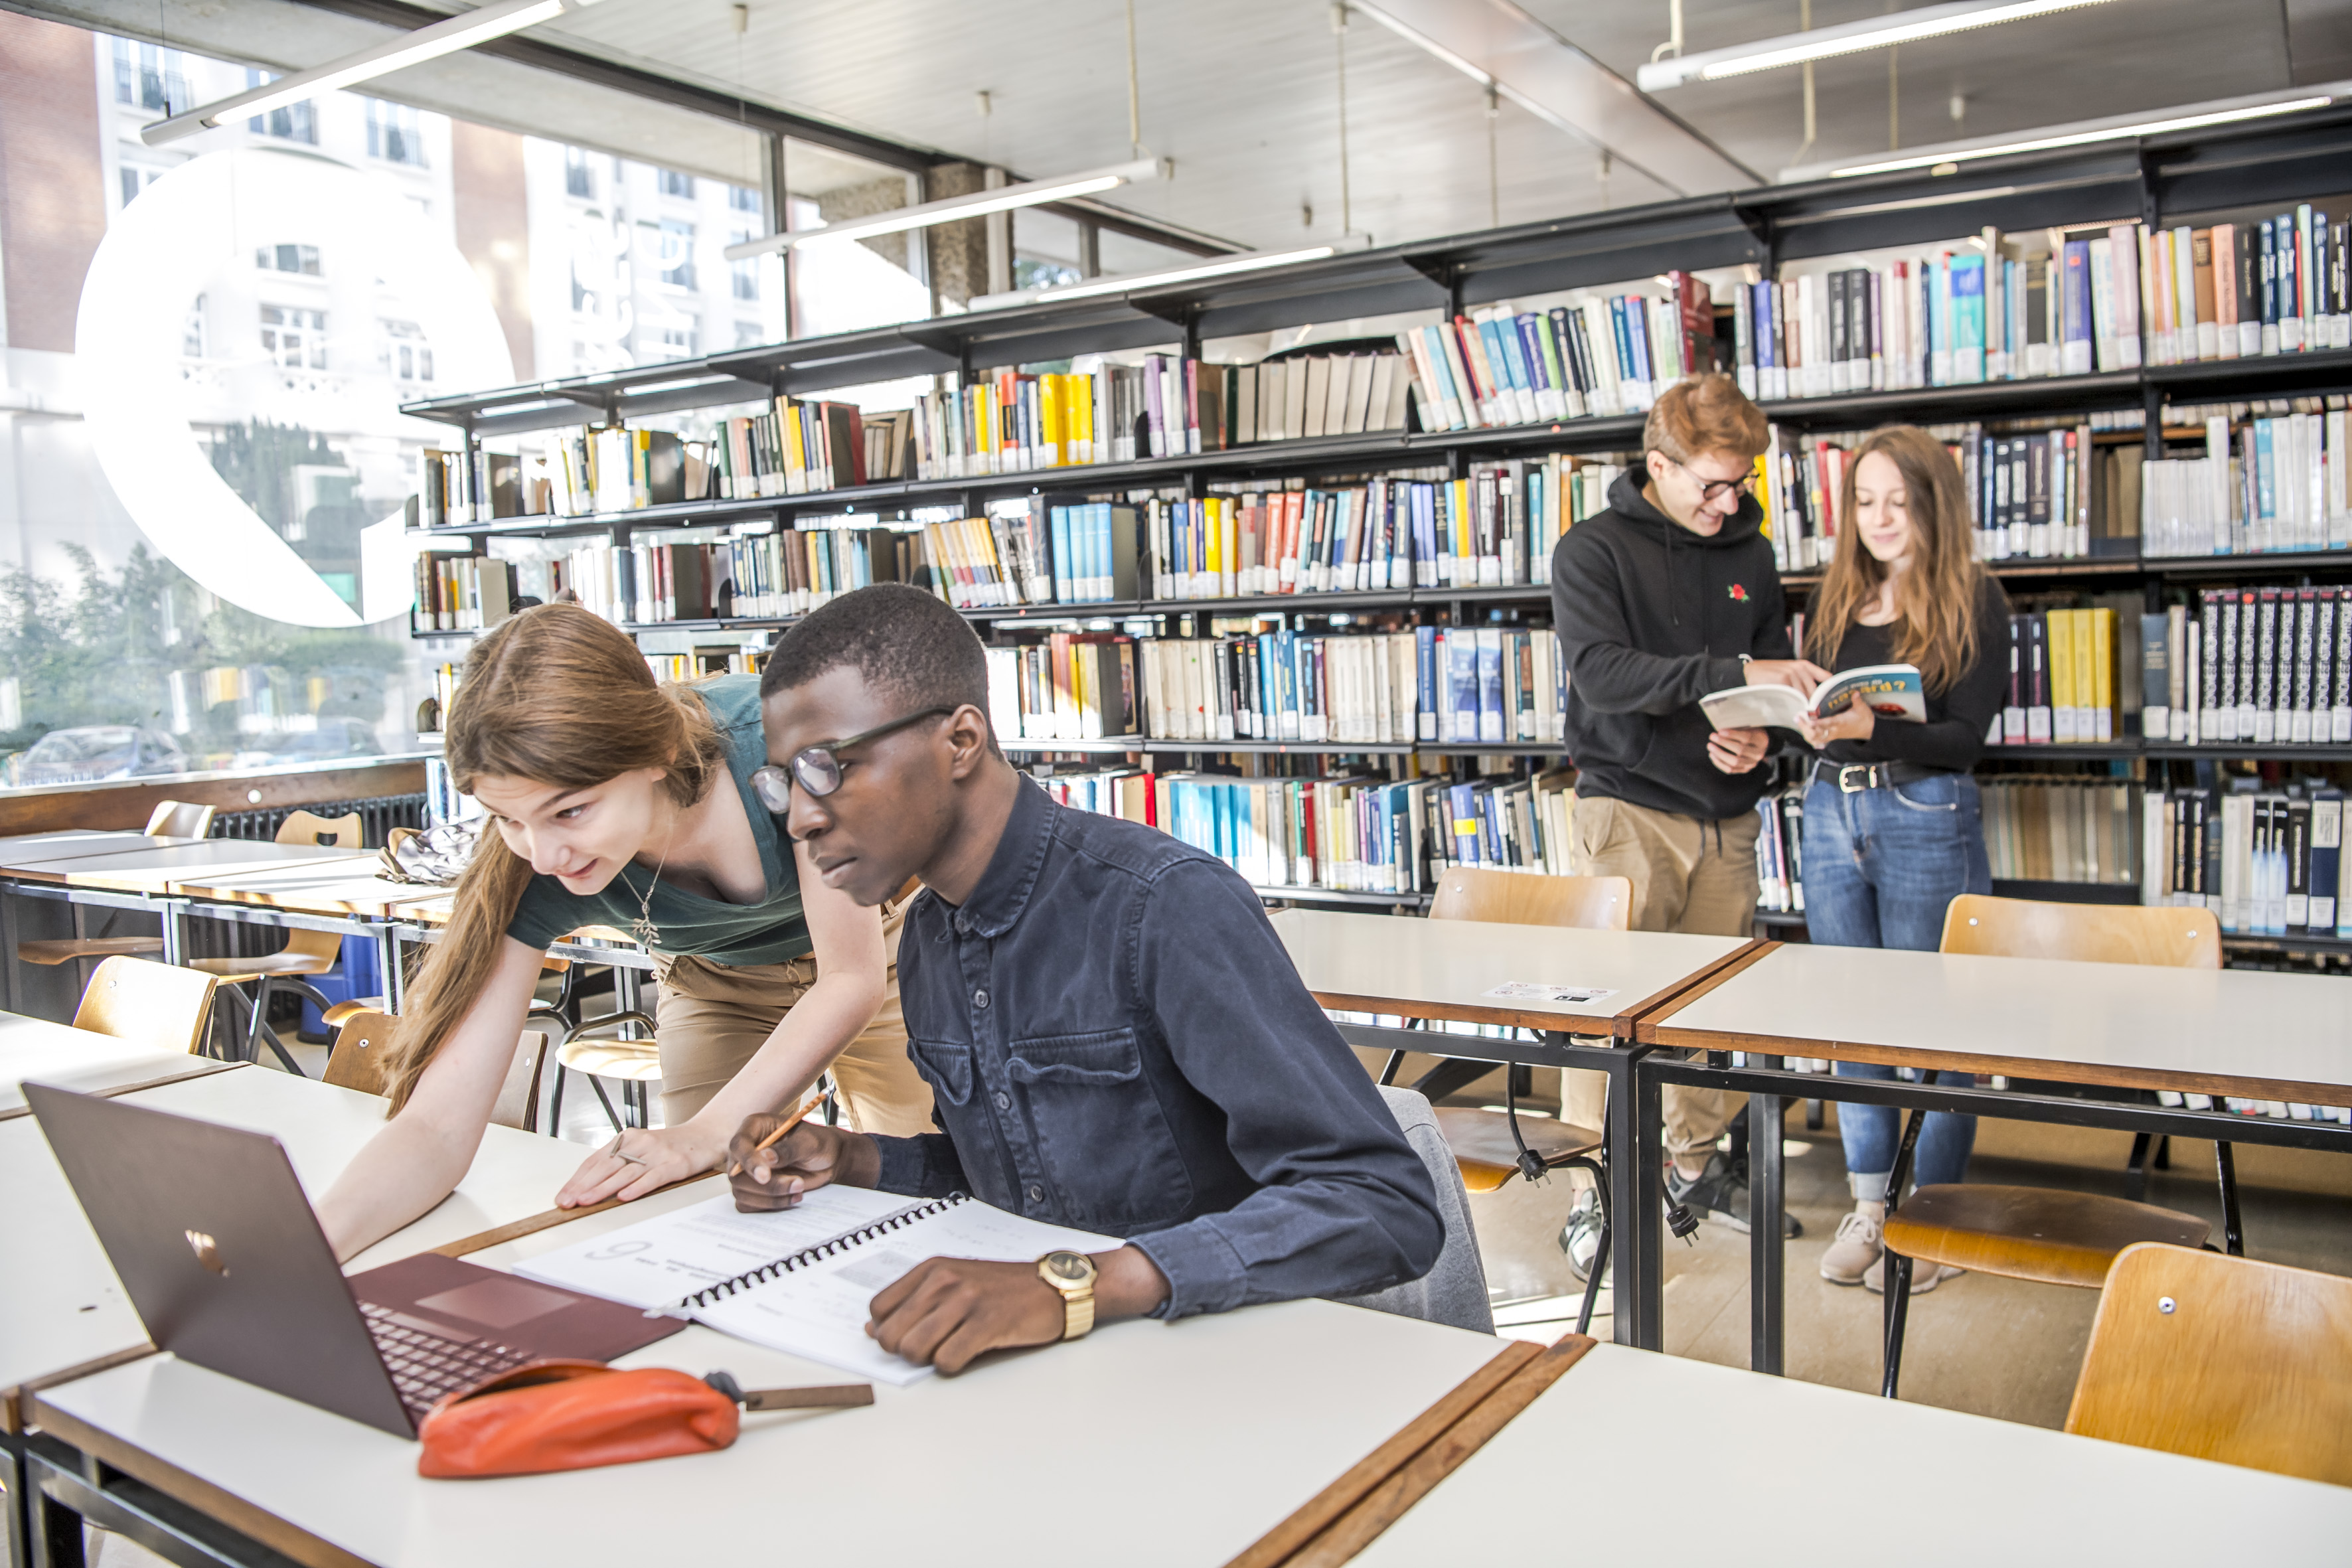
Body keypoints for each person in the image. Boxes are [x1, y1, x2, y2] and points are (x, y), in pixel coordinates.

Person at [730, 582, 1445, 1375]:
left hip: (1228, 1365)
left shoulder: (1164, 907)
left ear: (961, 741)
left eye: (825, 768)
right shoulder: (931, 937)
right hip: (1071, 1374)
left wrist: (1076, 1285)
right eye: (782, 783)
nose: (798, 817)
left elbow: (1383, 1204)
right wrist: (859, 1161)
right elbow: (1020, 1175)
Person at [314, 604, 928, 1262]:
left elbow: (850, 977)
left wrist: (706, 1132)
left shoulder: (788, 745)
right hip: (714, 981)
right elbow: (435, 1127)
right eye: (507, 819)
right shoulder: (529, 866)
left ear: (657, 755)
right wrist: (309, 1250)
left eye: (571, 810)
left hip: (880, 963)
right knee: (714, 1211)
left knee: (922, 1186)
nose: (543, 854)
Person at [1551, 372, 1823, 1245]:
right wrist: (1734, 676)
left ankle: (1693, 1169)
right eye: (1710, 483)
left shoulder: (1750, 554)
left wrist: (1761, 738)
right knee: (1609, 1011)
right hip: (1627, 811)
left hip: (1726, 817)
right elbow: (1604, 675)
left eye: (1740, 482)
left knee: (1708, 1015)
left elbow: (1773, 677)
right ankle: (1590, 1188)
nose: (1727, 500)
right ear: (1657, 465)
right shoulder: (1590, 550)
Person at [1796, 425, 2007, 1294]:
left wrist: (1869, 726)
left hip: (1924, 808)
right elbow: (1820, 702)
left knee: (1936, 1027)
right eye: (1863, 499)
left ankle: (1935, 1209)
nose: (1878, 519)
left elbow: (1963, 738)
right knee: (1854, 1020)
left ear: (1932, 506)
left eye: (1897, 501)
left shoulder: (1970, 596)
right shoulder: (1839, 593)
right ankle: (1869, 1206)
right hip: (1826, 808)